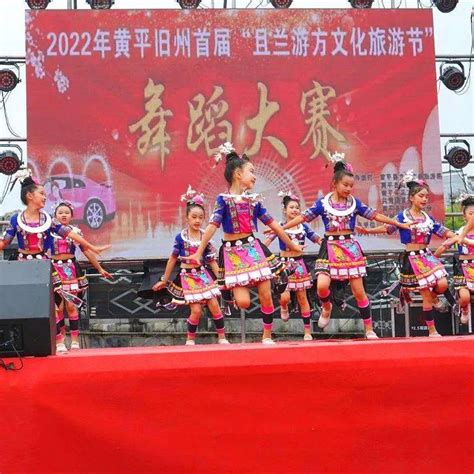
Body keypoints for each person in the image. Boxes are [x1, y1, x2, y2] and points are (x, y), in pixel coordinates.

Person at [279, 153, 410, 339]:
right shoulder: (323, 204)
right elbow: (303, 217)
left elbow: (375, 215)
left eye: (351, 186)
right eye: (345, 185)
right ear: (334, 184)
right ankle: (326, 307)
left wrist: (396, 223)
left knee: (359, 291)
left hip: (350, 247)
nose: (348, 189)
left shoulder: (354, 203)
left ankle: (369, 329)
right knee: (321, 286)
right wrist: (282, 228)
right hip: (329, 247)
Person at [183, 143, 303, 345]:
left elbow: (273, 224)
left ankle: (267, 335)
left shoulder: (254, 201)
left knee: (265, 294)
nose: (254, 176)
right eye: (251, 171)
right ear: (238, 174)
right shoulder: (223, 200)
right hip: (232, 254)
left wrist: (292, 245)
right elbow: (212, 226)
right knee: (244, 302)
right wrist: (199, 252)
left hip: (253, 249)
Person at [359, 170, 456, 337]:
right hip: (412, 258)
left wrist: (456, 237)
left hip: (426, 256)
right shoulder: (402, 217)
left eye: (426, 197)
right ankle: (432, 330)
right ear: (411, 198)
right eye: (421, 196)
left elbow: (444, 231)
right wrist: (368, 231)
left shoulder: (428, 219)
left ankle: (434, 299)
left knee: (442, 284)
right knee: (425, 293)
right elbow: (387, 228)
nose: (424, 199)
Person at [152, 186, 229, 345]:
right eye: (194, 217)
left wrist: (223, 280)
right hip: (187, 277)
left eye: (201, 217)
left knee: (215, 305)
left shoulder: (205, 237)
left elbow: (212, 261)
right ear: (187, 217)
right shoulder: (180, 238)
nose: (197, 221)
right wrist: (164, 280)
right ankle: (190, 339)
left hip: (203, 276)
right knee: (196, 310)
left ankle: (222, 337)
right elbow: (172, 259)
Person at [50, 201, 112, 353]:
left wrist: (100, 268)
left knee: (71, 306)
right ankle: (60, 341)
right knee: (58, 308)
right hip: (53, 271)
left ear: (71, 216)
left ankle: (75, 341)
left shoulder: (75, 232)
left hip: (70, 271)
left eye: (67, 213)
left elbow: (87, 251)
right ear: (55, 215)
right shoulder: (49, 231)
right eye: (60, 212)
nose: (63, 215)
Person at [264, 191, 321, 340]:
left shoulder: (303, 227)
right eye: (291, 207)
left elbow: (316, 239)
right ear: (284, 209)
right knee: (284, 297)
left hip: (299, 265)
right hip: (283, 265)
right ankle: (284, 306)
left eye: (297, 207)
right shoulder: (279, 226)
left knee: (303, 298)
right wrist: (258, 253)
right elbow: (267, 242)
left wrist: (327, 245)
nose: (295, 210)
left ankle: (307, 332)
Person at [435, 193, 474, 326]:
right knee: (465, 297)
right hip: (464, 268)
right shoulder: (459, 233)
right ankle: (464, 309)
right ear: (464, 216)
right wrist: (433, 257)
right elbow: (445, 245)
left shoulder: (462, 236)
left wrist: (465, 240)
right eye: (471, 213)